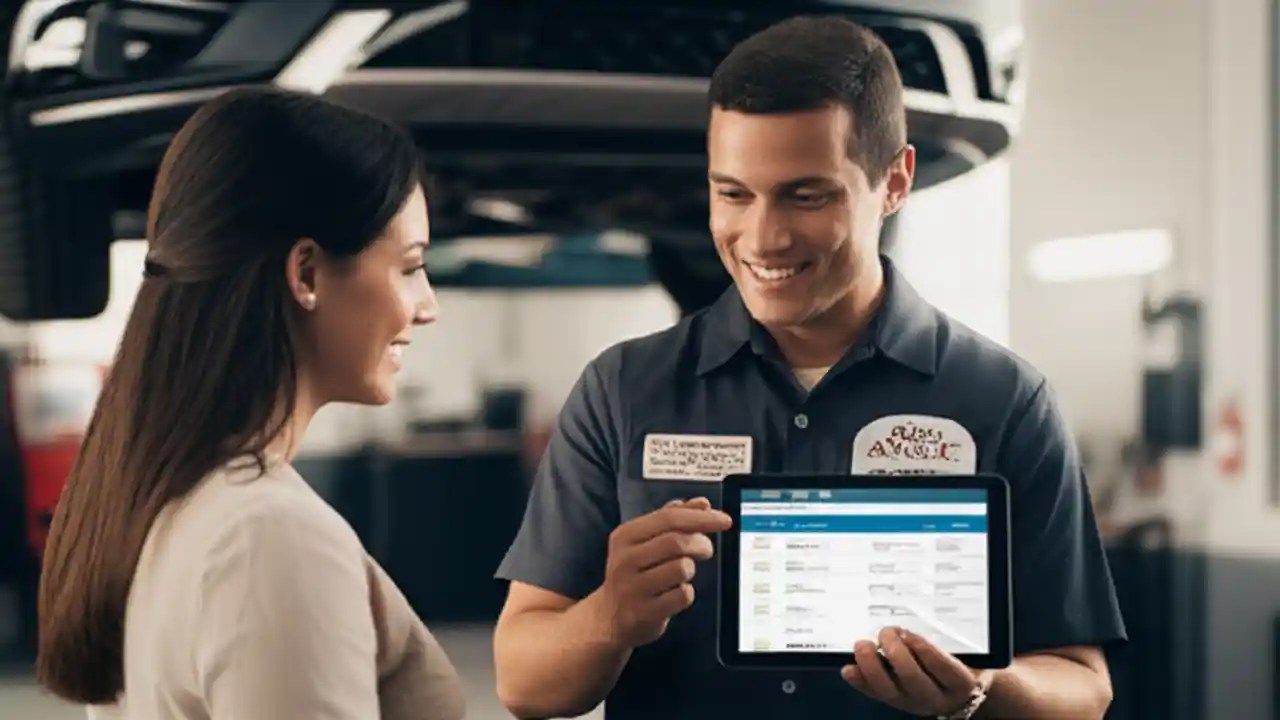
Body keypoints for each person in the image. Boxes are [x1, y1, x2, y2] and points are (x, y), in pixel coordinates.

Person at [493, 16, 1126, 720]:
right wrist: (610, 616)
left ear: (893, 182)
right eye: (733, 194)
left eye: (807, 195)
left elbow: (1082, 687)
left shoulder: (1005, 399)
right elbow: (522, 682)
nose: (763, 237)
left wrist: (981, 691)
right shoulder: (624, 390)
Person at [35, 87, 465, 720]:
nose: (426, 305)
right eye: (409, 266)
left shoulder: (161, 499)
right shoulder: (267, 534)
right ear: (308, 275)